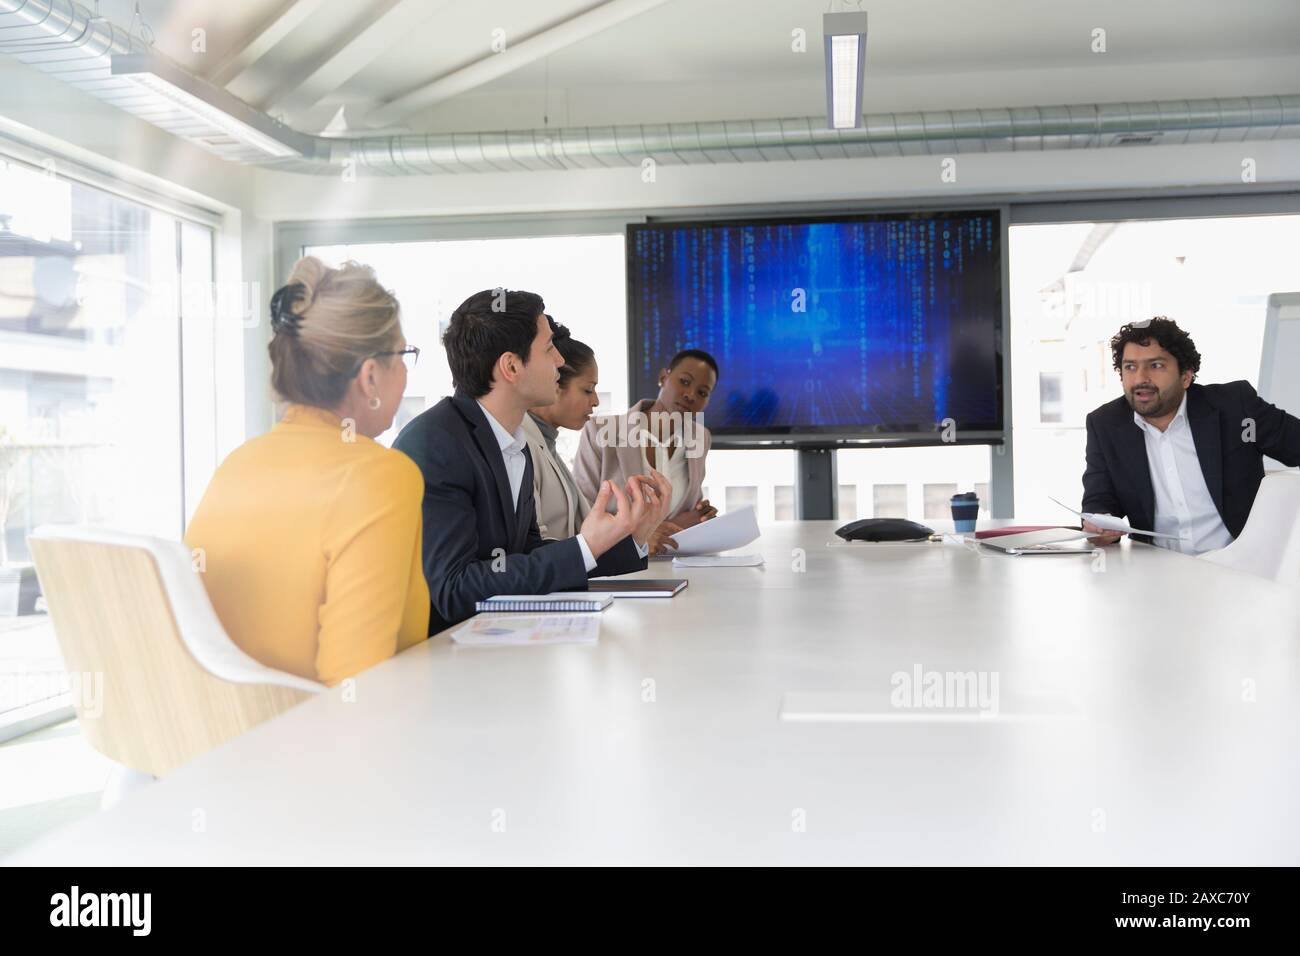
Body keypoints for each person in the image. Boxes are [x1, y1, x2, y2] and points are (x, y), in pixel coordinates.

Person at [185, 257, 428, 686]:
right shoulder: (381, 477)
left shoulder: (237, 465)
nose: (407, 370)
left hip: (227, 745)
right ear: (370, 376)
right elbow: (355, 690)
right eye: (403, 354)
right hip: (318, 745)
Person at [393, 289, 673, 634]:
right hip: (443, 661)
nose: (559, 360)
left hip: (500, 645)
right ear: (511, 366)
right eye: (548, 348)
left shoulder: (513, 442)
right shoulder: (437, 442)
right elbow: (454, 589)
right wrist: (586, 545)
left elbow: (526, 555)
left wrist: (629, 536)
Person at [1082, 316, 1300, 553]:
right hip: (1159, 569)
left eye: (1156, 365)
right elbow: (1100, 499)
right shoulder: (1105, 424)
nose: (1140, 378)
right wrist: (1099, 526)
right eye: (1130, 367)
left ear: (1186, 376)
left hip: (1243, 564)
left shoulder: (1236, 407)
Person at [575, 348, 719, 549]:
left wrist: (700, 516)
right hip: (618, 568)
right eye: (684, 382)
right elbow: (583, 515)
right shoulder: (601, 431)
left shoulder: (701, 437)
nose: (690, 395)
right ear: (663, 377)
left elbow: (684, 509)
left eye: (702, 392)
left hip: (675, 565)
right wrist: (640, 538)